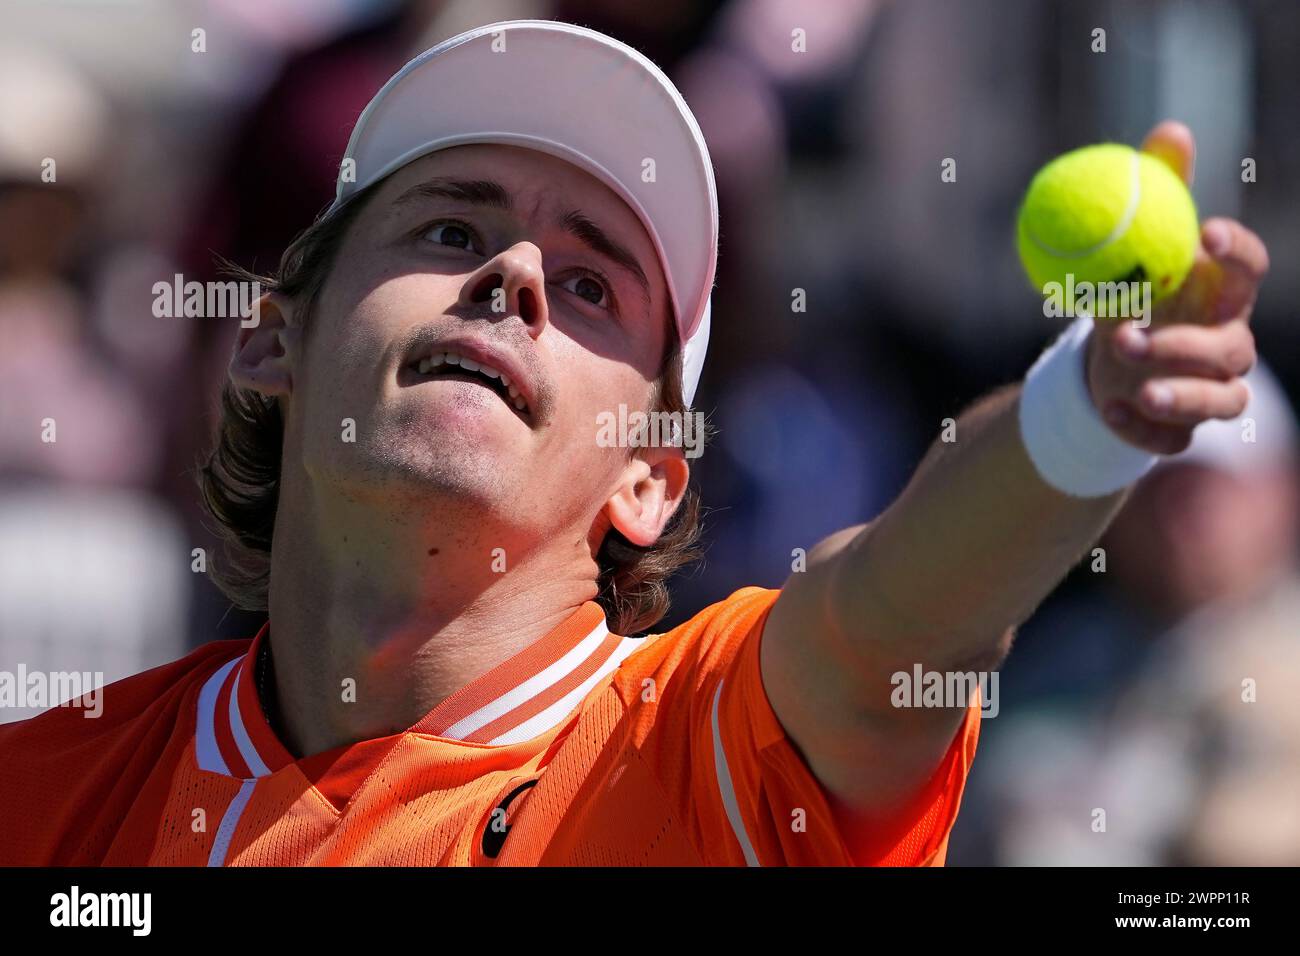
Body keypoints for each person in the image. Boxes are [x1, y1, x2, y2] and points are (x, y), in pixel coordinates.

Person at [0, 20, 1268, 866]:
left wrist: (1085, 410)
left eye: (591, 283)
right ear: (273, 343)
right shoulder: (42, 790)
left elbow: (897, 616)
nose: (511, 274)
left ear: (649, 478)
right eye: (449, 230)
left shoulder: (704, 743)